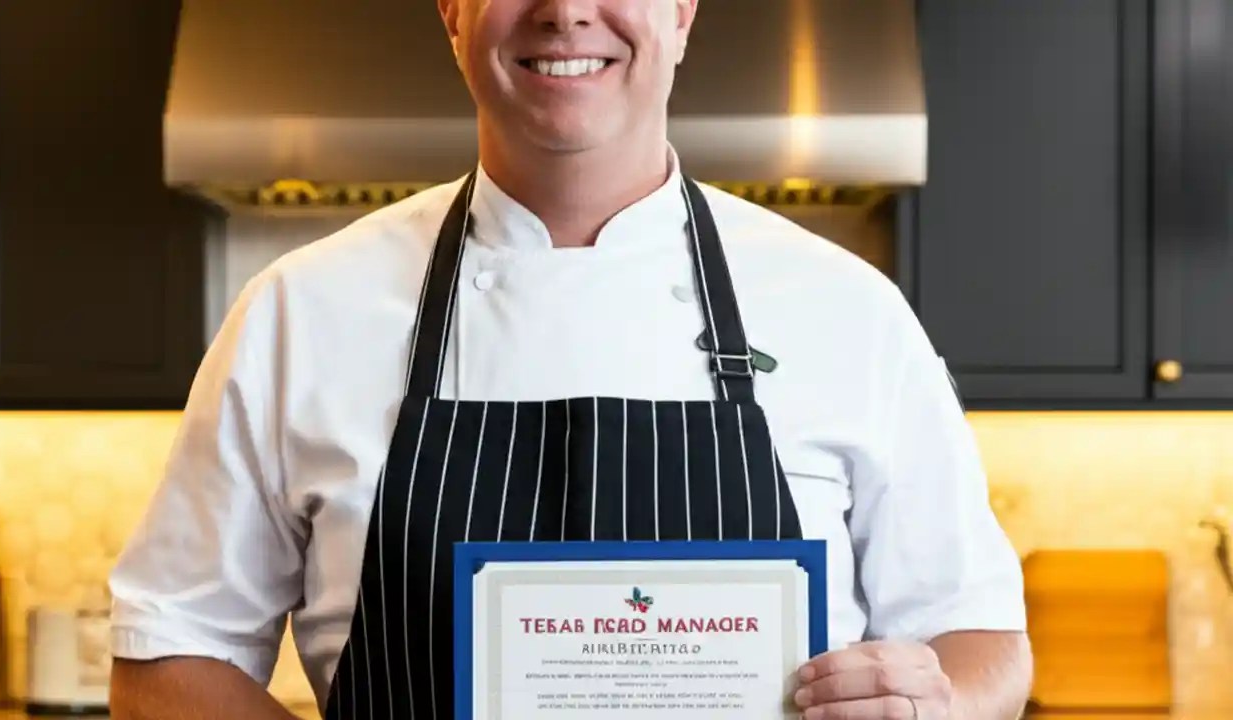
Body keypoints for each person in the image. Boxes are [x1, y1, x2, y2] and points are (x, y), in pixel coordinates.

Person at [107, 1, 1033, 718]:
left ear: (681, 10)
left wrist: (935, 697)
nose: (564, 9)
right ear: (450, 8)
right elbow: (167, 658)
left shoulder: (851, 311)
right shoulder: (300, 313)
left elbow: (984, 642)